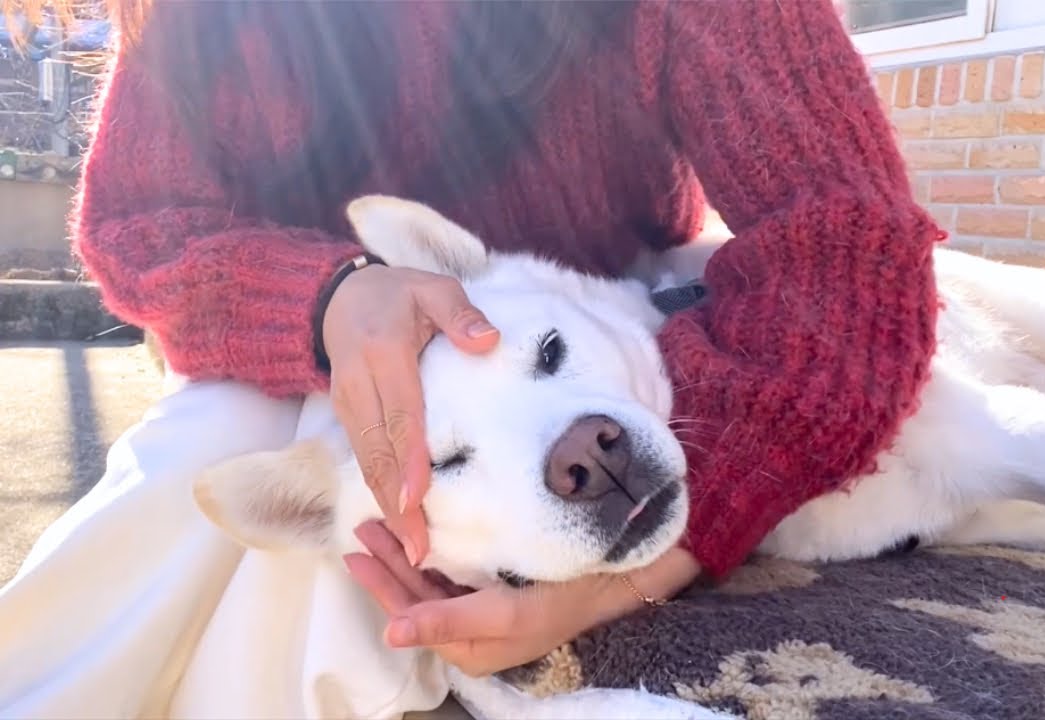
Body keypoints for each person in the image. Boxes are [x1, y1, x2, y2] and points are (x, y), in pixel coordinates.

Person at [0, 0, 942, 717]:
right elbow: (140, 226)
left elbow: (853, 248)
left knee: (321, 566)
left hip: (587, 318)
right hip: (309, 339)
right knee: (212, 449)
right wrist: (326, 297)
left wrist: (636, 571)